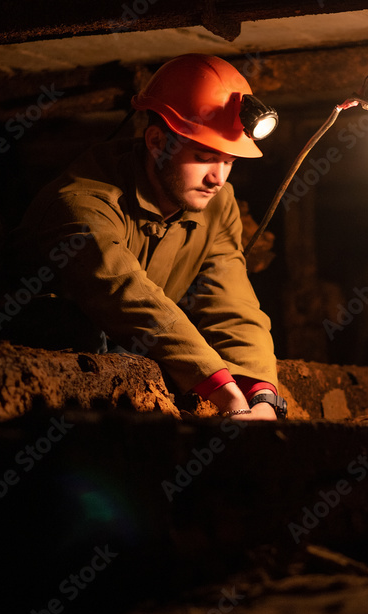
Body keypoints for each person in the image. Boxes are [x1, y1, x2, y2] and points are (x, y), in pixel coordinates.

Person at [15, 54, 285, 421]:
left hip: (129, 355)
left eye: (229, 161)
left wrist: (261, 395)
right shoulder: (82, 204)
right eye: (204, 157)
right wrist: (222, 389)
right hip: (39, 378)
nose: (218, 178)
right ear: (158, 141)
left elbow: (231, 302)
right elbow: (125, 294)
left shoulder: (218, 205)